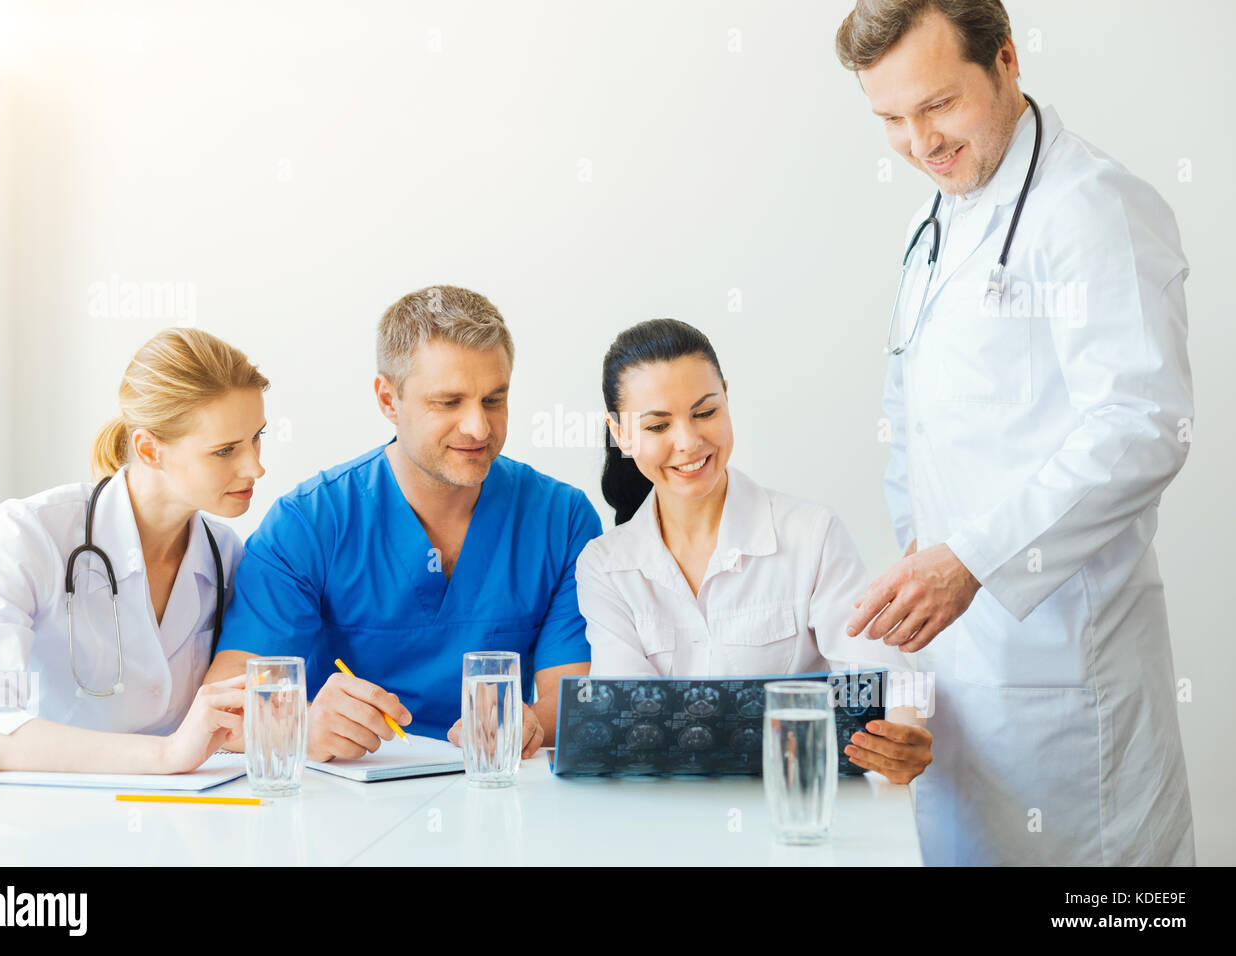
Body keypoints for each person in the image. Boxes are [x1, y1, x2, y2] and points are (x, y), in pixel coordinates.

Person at [834, 0, 1194, 864]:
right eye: (891, 119)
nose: (921, 143)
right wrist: (926, 558)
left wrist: (970, 559)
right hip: (961, 681)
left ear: (1006, 61)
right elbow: (921, 426)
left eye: (939, 105)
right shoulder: (942, 223)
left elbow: (1145, 424)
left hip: (1068, 682)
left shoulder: (1092, 206)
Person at [205, 286, 601, 761]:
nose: (478, 427)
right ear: (388, 399)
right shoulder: (307, 525)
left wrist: (534, 721)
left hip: (495, 790)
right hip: (342, 809)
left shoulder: (561, 518)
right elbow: (224, 711)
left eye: (494, 399)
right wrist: (300, 726)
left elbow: (574, 696)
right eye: (449, 402)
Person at [576, 319, 933, 785]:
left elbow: (885, 679)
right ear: (621, 434)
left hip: (795, 806)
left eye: (705, 412)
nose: (688, 441)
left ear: (726, 397)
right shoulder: (605, 566)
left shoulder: (811, 535)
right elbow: (624, 722)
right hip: (664, 821)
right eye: (659, 424)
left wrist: (904, 728)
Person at [0, 328, 269, 782]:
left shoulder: (223, 554)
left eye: (257, 439)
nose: (255, 467)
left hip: (169, 816)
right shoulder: (29, 534)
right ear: (149, 449)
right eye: (226, 450)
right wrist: (165, 755)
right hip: (30, 817)